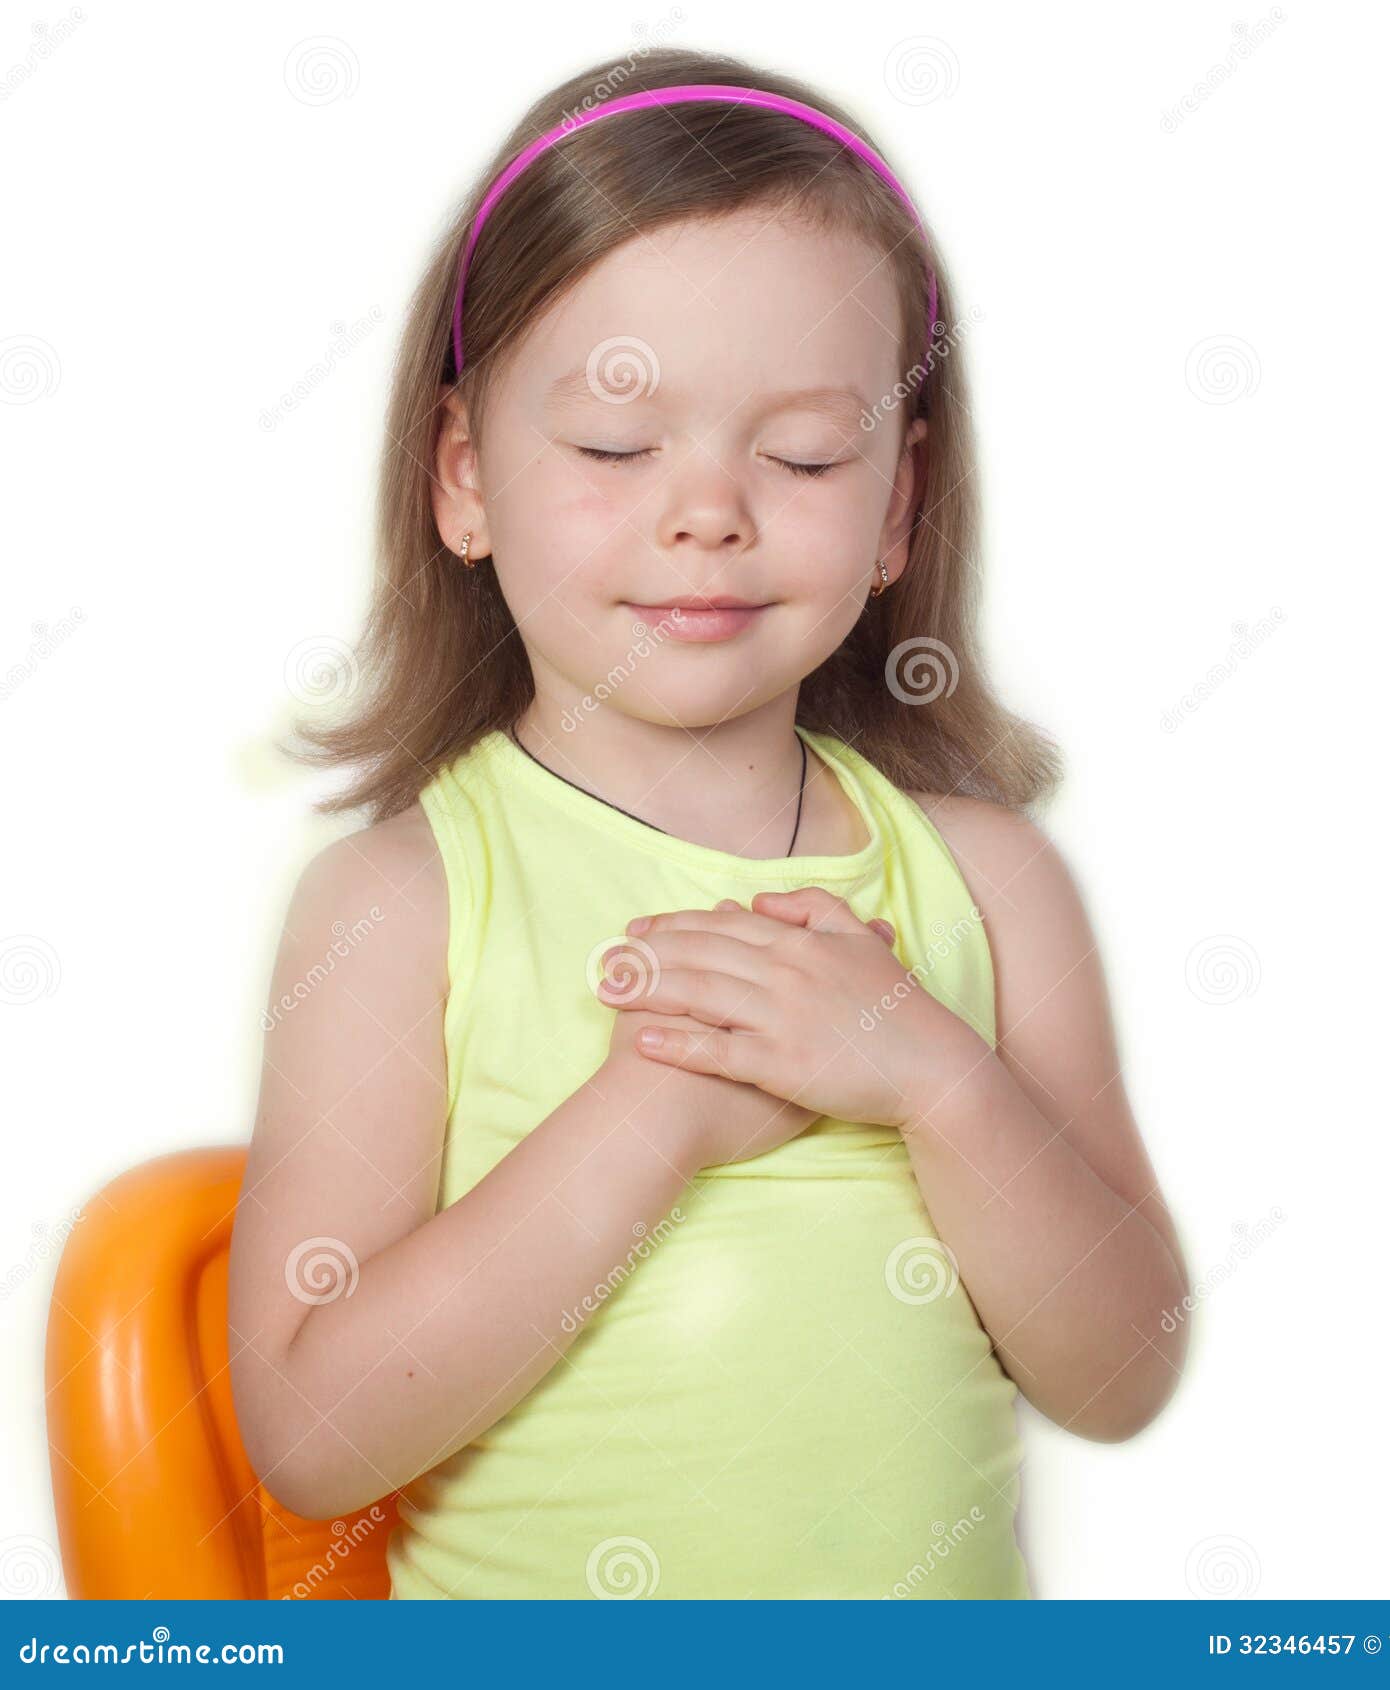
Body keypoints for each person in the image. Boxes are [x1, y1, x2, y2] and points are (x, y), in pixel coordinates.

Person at [227, 46, 1190, 1600]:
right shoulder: (400, 904)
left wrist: (934, 1078)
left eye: (802, 454)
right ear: (464, 478)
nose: (708, 512)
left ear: (895, 504)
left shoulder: (989, 888)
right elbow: (312, 1435)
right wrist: (656, 1112)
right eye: (616, 447)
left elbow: (1121, 1372)